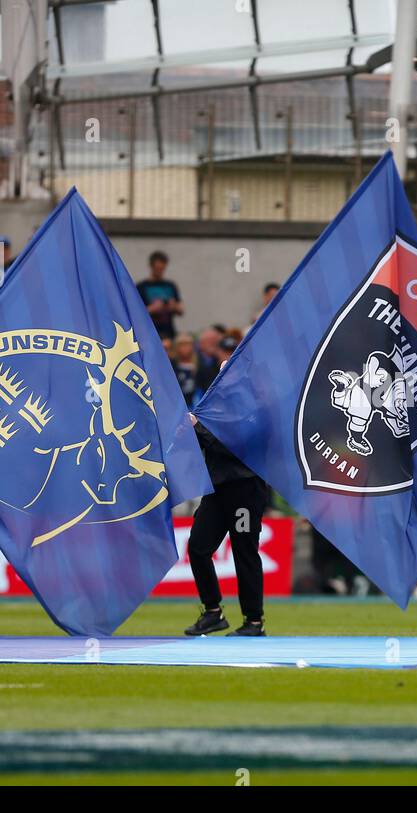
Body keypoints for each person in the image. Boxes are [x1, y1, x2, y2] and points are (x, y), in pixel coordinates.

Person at [184, 365, 270, 636]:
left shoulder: (257, 409)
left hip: (245, 487)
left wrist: (197, 428)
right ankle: (213, 611)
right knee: (198, 547)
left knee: (244, 551)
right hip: (218, 486)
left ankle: (254, 620)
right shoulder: (216, 407)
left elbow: (236, 446)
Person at [136, 250, 183, 340]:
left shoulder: (170, 285)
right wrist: (152, 309)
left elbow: (181, 309)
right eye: (157, 268)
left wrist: (174, 307)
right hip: (149, 331)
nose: (160, 271)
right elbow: (136, 312)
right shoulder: (141, 287)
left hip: (169, 332)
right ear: (151, 266)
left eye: (162, 269)